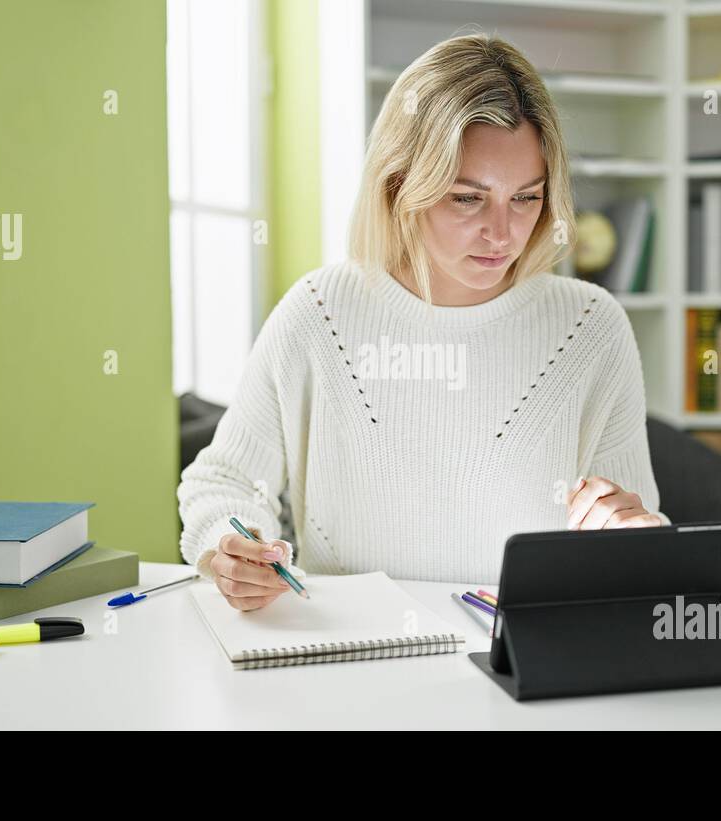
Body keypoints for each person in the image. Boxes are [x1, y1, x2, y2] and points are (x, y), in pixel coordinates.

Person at [178, 33, 669, 612]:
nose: (503, 233)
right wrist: (232, 550)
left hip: (517, 666)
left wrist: (636, 538)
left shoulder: (591, 327)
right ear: (399, 185)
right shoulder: (320, 313)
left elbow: (634, 534)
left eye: (526, 197)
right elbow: (223, 483)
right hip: (350, 656)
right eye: (467, 198)